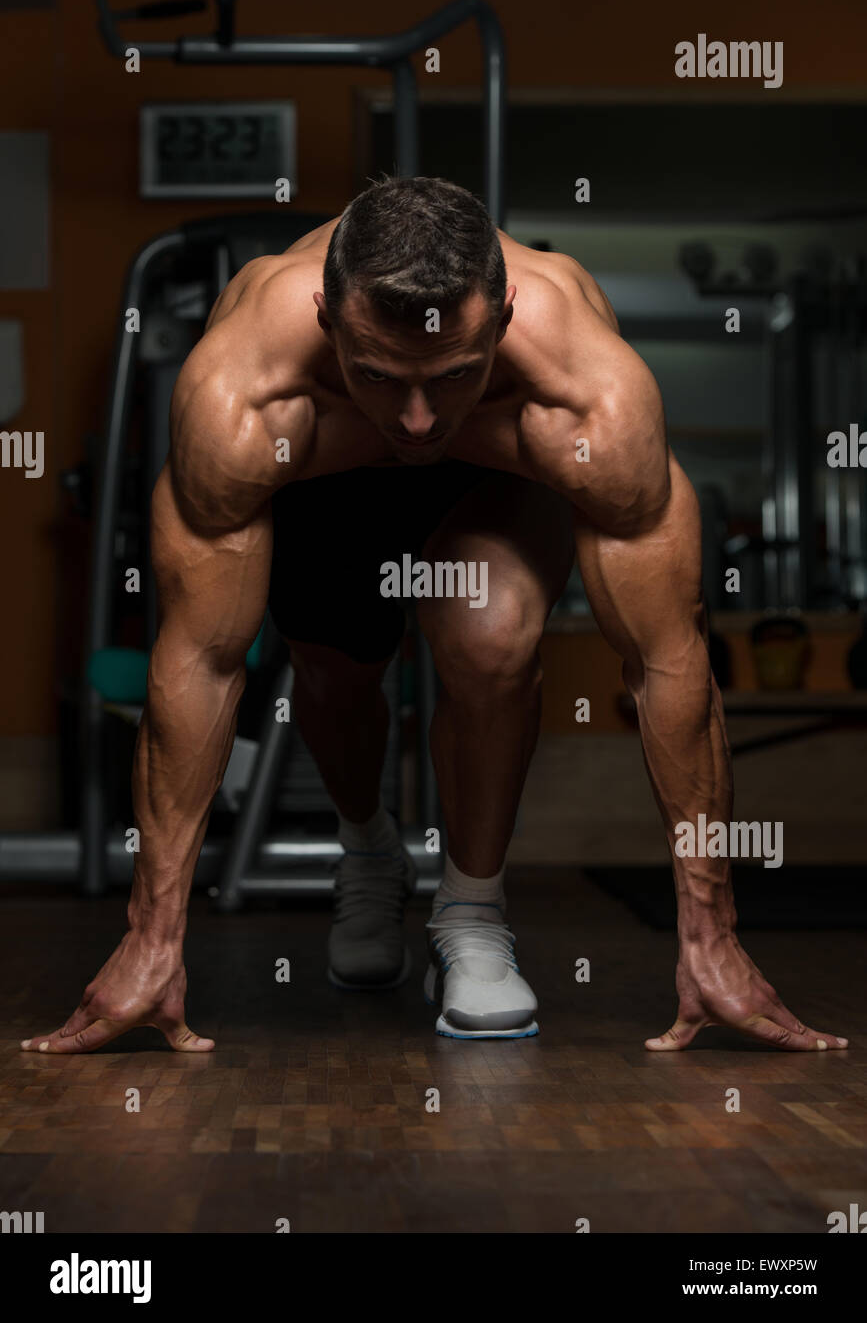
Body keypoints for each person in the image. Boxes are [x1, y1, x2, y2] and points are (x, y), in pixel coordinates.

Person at [23, 176, 847, 1052]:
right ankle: (368, 852)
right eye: (378, 377)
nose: (416, 421)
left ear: (503, 317)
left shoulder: (584, 397)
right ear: (324, 318)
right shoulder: (244, 394)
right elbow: (201, 659)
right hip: (317, 477)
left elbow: (667, 658)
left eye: (453, 377)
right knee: (335, 677)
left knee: (489, 645)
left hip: (499, 479)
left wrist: (710, 936)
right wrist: (151, 941)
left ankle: (471, 915)